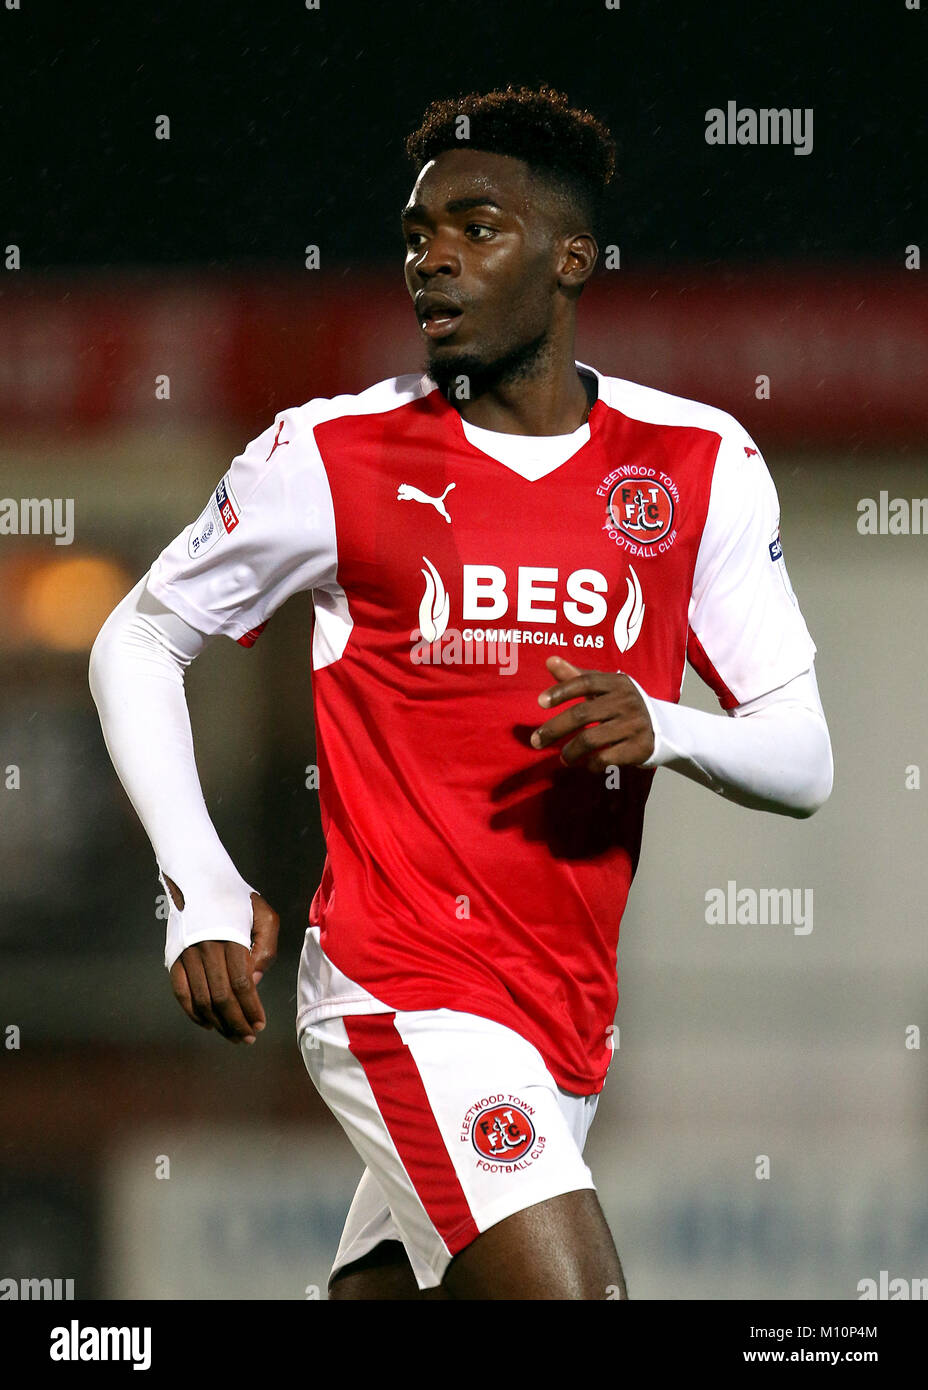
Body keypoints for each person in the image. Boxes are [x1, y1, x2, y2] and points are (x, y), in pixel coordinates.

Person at [89, 86, 833, 1300]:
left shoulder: (692, 461)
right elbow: (139, 637)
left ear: (571, 260)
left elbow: (803, 757)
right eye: (416, 235)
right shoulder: (330, 455)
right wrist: (201, 882)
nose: (432, 257)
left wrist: (668, 729)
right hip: (401, 984)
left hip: (565, 1020)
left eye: (476, 227)